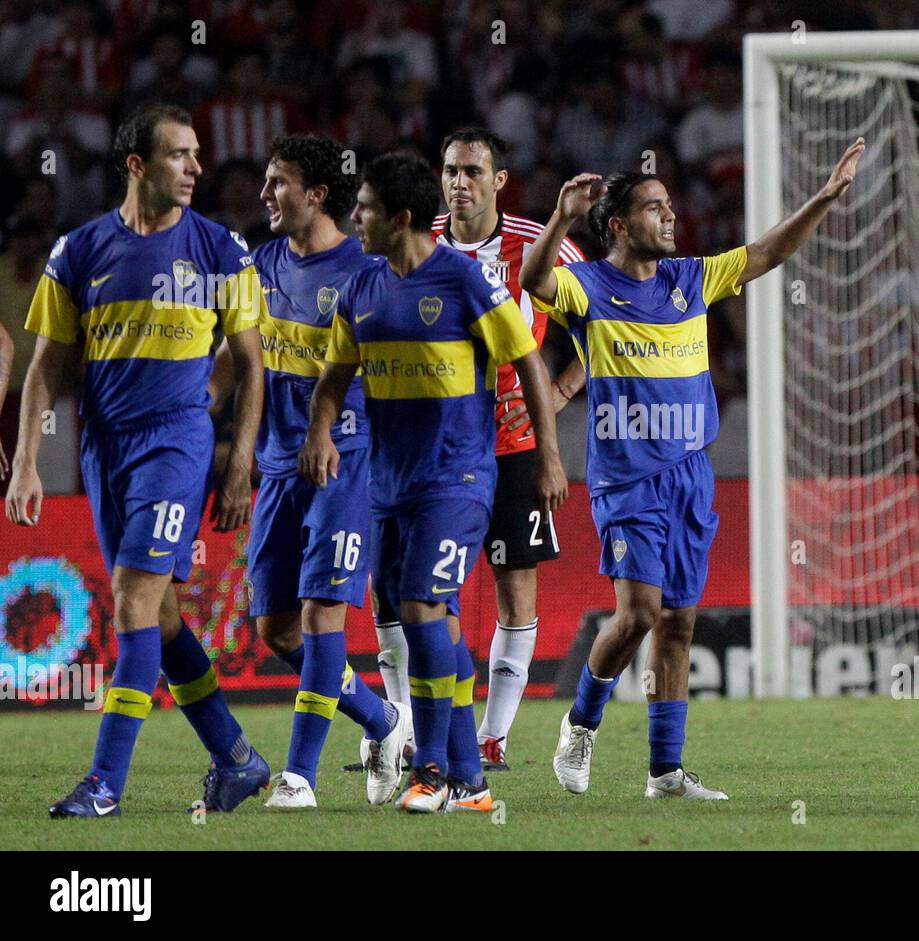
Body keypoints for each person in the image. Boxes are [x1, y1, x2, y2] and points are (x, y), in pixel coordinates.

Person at [520, 138, 866, 800]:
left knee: (677, 622)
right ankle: (581, 722)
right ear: (618, 225)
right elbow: (536, 282)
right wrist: (561, 217)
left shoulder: (691, 279)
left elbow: (768, 252)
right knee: (638, 612)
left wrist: (823, 197)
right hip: (626, 480)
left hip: (689, 477)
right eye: (655, 208)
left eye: (670, 205)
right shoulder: (590, 285)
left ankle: (666, 772)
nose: (670, 216)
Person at [5, 104, 270, 817]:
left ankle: (104, 785)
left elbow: (251, 365)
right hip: (103, 443)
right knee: (165, 619)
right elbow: (44, 369)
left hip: (177, 439)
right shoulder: (79, 252)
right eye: (179, 155)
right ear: (135, 165)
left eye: (195, 155)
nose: (194, 169)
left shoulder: (223, 250)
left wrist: (239, 460)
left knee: (131, 600)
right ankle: (237, 757)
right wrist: (27, 459)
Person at [300, 153, 566, 814]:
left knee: (422, 607)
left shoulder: (467, 281)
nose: (352, 219)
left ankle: (432, 771)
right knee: (421, 615)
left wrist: (549, 454)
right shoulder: (362, 288)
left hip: (459, 476)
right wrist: (320, 431)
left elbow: (527, 361)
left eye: (362, 208)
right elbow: (335, 376)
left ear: (401, 218)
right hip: (386, 484)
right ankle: (471, 781)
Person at [238, 133, 410, 809]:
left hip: (347, 460)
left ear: (315, 194)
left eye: (278, 182)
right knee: (274, 629)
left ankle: (299, 777)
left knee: (319, 617)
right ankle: (382, 720)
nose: (264, 195)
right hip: (279, 466)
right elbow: (242, 360)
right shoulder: (260, 265)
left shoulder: (366, 271)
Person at [426, 127, 585, 772]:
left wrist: (561, 394)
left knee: (516, 588)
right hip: (436, 448)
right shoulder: (422, 240)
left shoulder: (538, 244)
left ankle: (492, 738)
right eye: (450, 170)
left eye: (471, 171)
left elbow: (606, 323)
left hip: (516, 446)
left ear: (498, 182)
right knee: (427, 592)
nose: (458, 182)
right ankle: (419, 733)